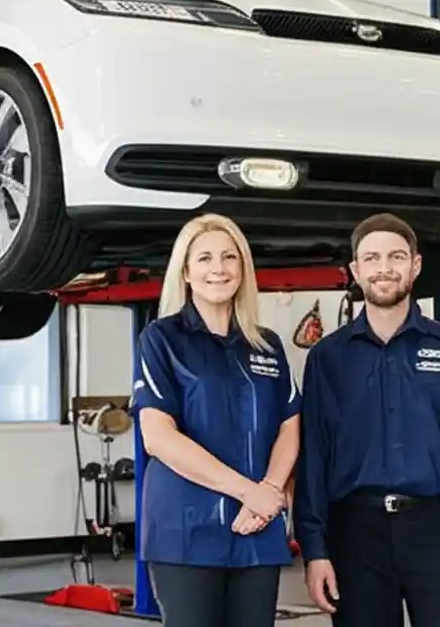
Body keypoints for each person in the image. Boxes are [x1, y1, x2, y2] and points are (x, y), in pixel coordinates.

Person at [292, 212, 440, 627]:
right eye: (371, 258)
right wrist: (315, 550)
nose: (384, 268)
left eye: (396, 257)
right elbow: (314, 457)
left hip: (438, 531)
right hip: (355, 533)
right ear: (355, 269)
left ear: (415, 265)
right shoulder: (327, 359)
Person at [130, 213, 303, 627]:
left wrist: (272, 490)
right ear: (186, 272)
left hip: (257, 531)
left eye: (229, 257)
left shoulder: (268, 345)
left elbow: (289, 427)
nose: (218, 268)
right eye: (204, 258)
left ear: (243, 270)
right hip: (186, 531)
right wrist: (252, 492)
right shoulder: (162, 340)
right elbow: (158, 437)